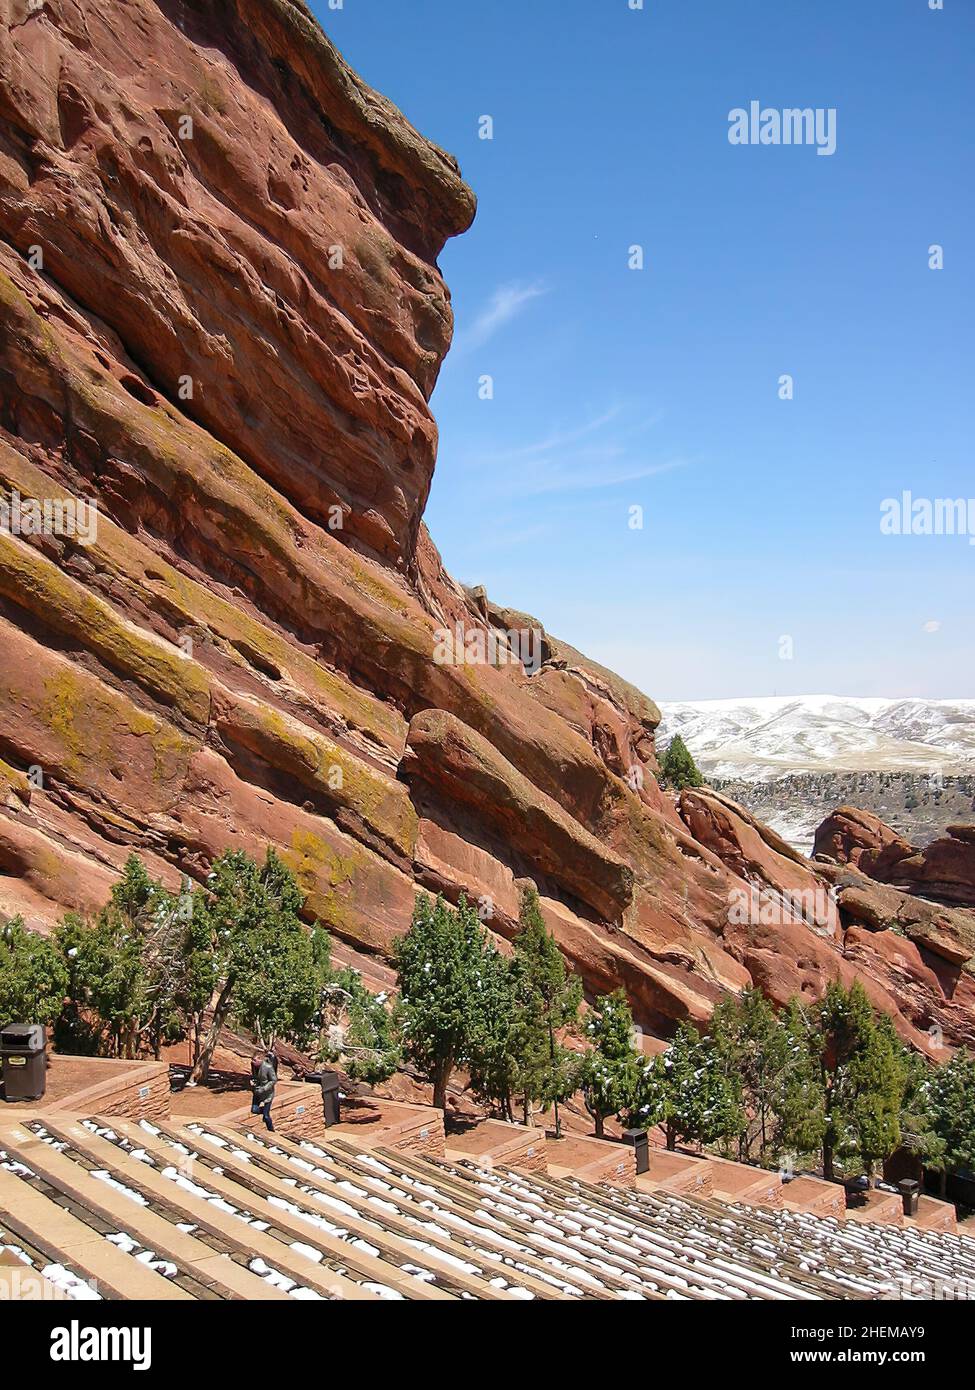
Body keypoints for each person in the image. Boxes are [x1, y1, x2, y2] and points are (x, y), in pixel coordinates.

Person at [250, 1049, 277, 1131]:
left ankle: (271, 1130)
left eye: (254, 1060)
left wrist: (264, 1088)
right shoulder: (253, 1066)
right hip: (257, 1092)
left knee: (266, 1116)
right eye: (252, 1060)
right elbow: (255, 1076)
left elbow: (274, 1080)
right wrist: (253, 1082)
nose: (253, 1062)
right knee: (254, 1110)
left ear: (260, 1060)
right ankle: (266, 1111)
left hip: (267, 1094)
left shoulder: (268, 1067)